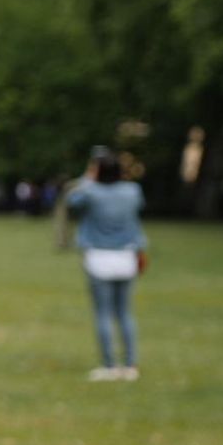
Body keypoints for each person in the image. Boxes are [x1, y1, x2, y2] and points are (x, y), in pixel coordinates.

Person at [66, 149, 147, 381]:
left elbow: (73, 204)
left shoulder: (90, 192)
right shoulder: (132, 191)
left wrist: (87, 178)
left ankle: (110, 365)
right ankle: (131, 365)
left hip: (99, 257)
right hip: (127, 256)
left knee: (103, 313)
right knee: (124, 313)